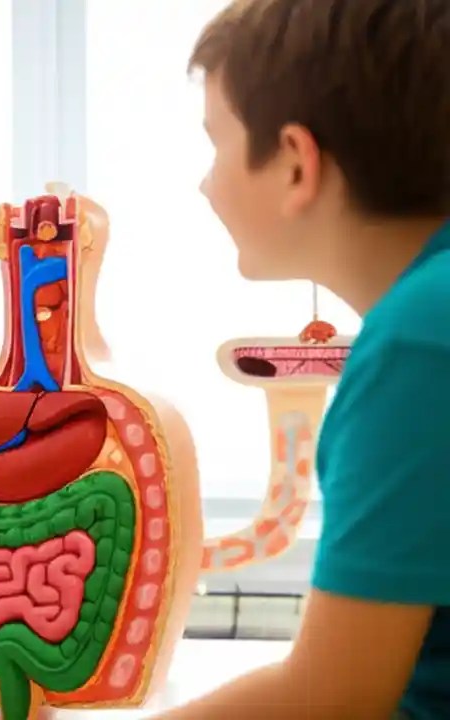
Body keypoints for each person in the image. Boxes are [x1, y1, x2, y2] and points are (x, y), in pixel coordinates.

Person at [153, 1, 450, 718]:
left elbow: (332, 695)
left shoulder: (419, 341)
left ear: (295, 162)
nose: (206, 184)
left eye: (217, 144)